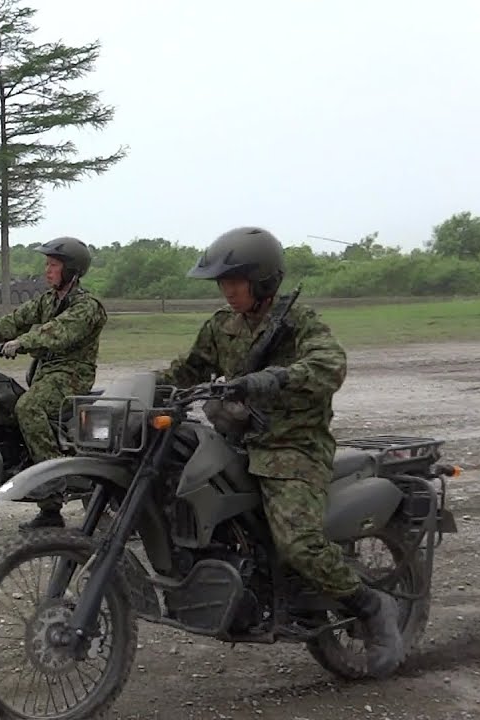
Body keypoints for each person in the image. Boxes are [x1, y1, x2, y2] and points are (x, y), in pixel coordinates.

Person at [154, 225, 403, 678]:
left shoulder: (299, 323)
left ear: (264, 280)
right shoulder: (220, 326)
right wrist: (133, 394)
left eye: (235, 281)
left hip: (293, 449)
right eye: (222, 283)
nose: (227, 291)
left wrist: (278, 378)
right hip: (236, 443)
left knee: (298, 542)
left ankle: (371, 605)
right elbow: (184, 372)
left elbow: (331, 364)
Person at [0, 237, 107, 530]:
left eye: (53, 265)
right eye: (47, 264)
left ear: (71, 270)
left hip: (71, 376)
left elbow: (56, 332)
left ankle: (52, 496)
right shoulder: (46, 300)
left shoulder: (87, 307)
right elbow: (16, 319)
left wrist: (20, 343)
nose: (47, 270)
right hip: (46, 375)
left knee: (28, 407)